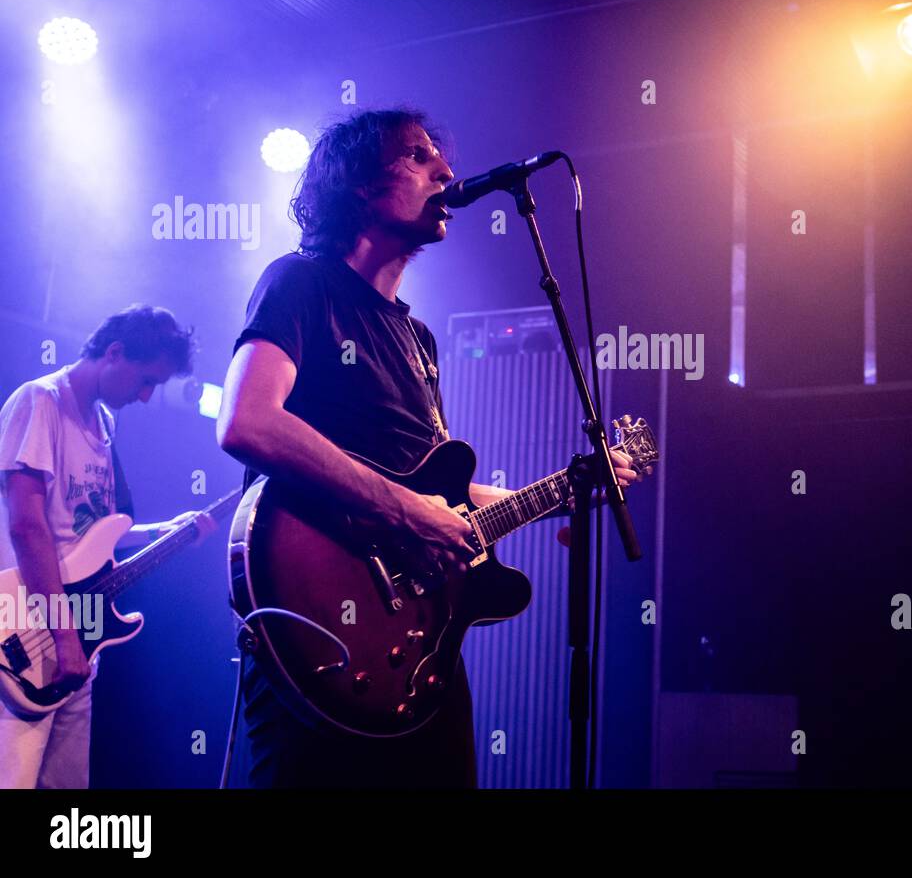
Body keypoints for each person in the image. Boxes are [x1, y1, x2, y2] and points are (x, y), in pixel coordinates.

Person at [216, 108, 643, 787]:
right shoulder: (302, 283)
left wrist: (566, 492)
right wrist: (408, 514)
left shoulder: (420, 342)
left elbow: (436, 490)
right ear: (358, 184)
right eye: (418, 157)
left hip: (418, 656)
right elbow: (247, 423)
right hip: (316, 629)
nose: (446, 171)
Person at [0, 305, 216, 788]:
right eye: (145, 380)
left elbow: (93, 531)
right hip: (23, 633)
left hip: (77, 641)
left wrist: (163, 531)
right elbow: (27, 527)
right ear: (114, 352)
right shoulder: (40, 401)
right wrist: (62, 636)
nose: (144, 396)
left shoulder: (103, 424)